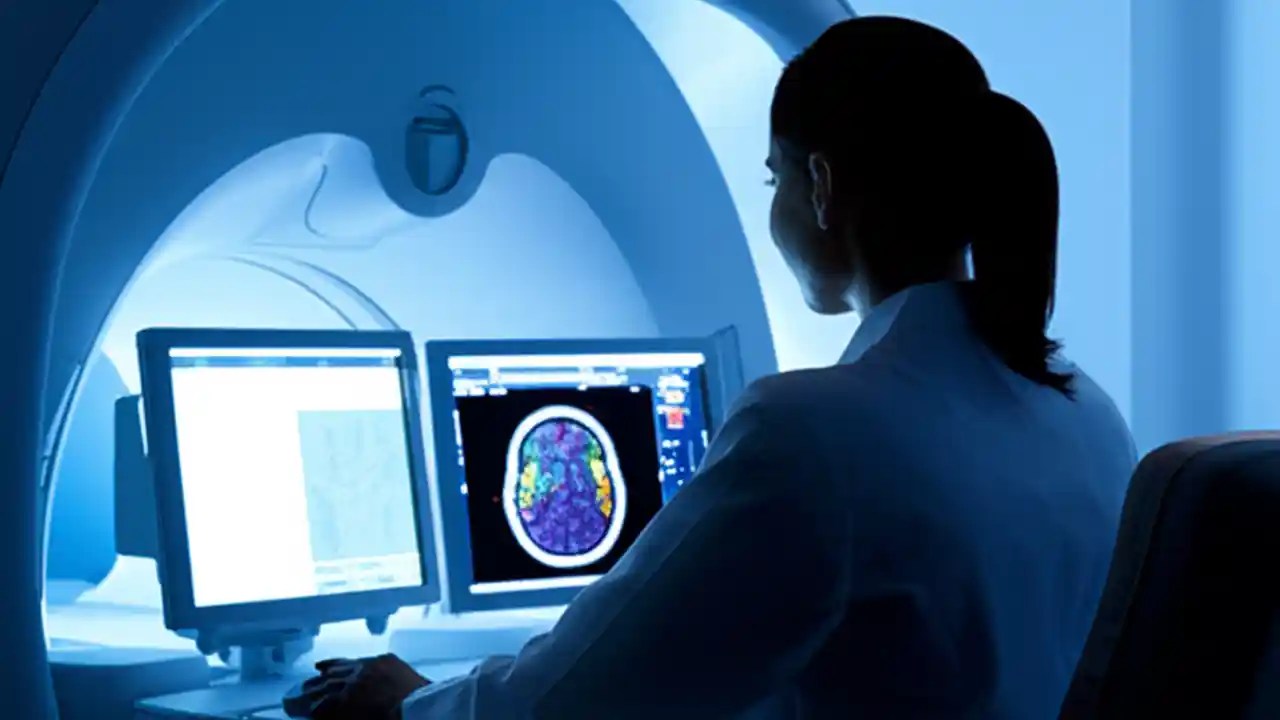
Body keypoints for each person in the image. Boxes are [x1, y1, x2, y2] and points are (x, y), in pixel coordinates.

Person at [289, 16, 1136, 720]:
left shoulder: (817, 433)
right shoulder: (1091, 415)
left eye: (773, 179)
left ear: (822, 186)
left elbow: (572, 704)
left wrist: (407, 703)